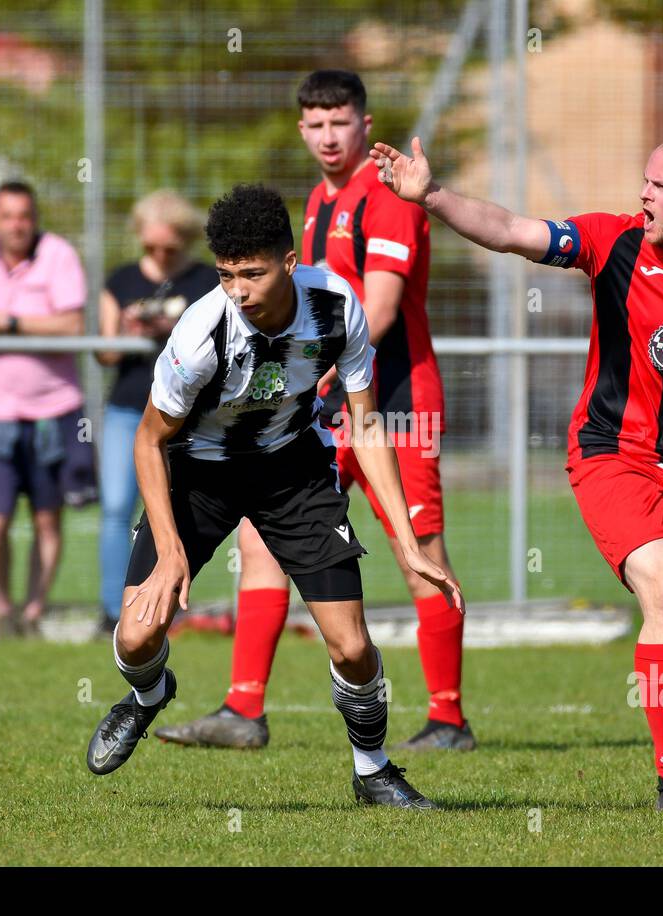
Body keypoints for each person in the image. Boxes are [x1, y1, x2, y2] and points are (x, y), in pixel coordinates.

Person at [369, 133, 663, 814]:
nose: (644, 194)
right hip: (612, 454)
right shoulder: (611, 241)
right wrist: (432, 196)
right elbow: (510, 230)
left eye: (661, 185)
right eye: (644, 180)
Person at [84, 184, 463, 810]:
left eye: (253, 274)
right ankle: (149, 695)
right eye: (226, 275)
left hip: (292, 470)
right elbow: (148, 441)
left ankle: (373, 770)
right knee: (134, 639)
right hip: (198, 475)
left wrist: (408, 542)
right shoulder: (199, 333)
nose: (238, 290)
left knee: (353, 646)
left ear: (289, 263)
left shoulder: (337, 305)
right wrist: (172, 552)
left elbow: (366, 425)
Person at [157, 70, 471, 753]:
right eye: (317, 124)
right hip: (322, 407)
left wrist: (310, 369)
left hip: (392, 403)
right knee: (260, 537)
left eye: (341, 122)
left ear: (364, 123)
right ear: (302, 129)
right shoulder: (318, 200)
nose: (329, 136)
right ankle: (243, 709)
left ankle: (448, 719)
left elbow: (377, 309)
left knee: (418, 550)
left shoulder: (387, 196)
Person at [0, 180, 94, 640]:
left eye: (25, 216)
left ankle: (33, 612)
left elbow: (72, 326)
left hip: (55, 410)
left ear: (35, 219)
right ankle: (2, 609)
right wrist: (36, 325)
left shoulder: (59, 254)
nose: (17, 225)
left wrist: (7, 321)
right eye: (7, 216)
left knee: (48, 519)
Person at [94, 190, 217, 639]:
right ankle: (114, 611)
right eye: (151, 246)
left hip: (188, 415)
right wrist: (130, 331)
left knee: (177, 509)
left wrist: (176, 328)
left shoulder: (206, 281)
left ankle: (167, 604)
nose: (160, 256)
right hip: (129, 408)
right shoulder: (121, 280)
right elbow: (105, 353)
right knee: (115, 508)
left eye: (170, 247)